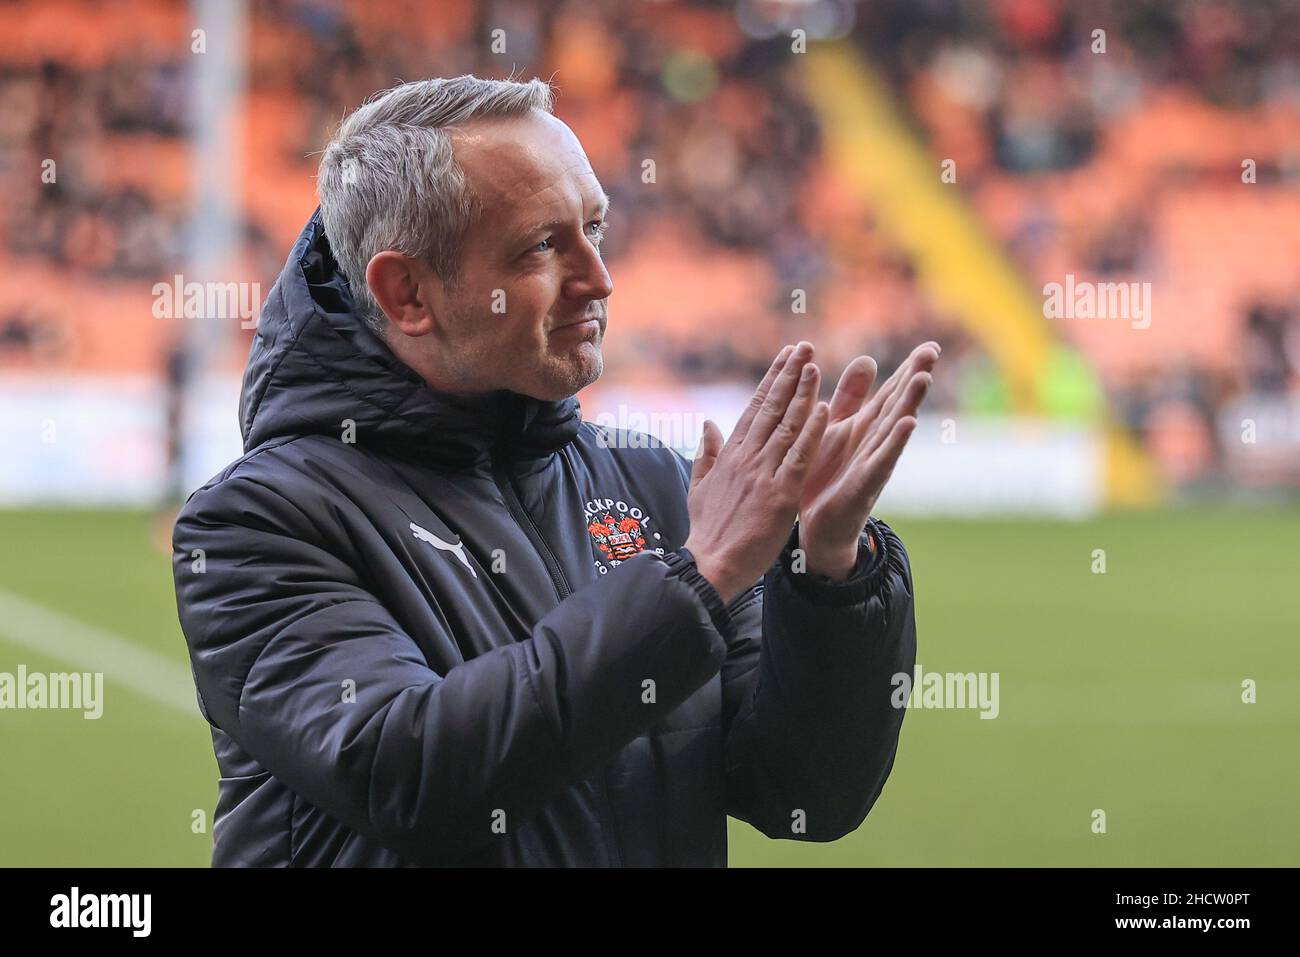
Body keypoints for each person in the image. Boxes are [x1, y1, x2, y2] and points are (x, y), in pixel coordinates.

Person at [171, 74, 938, 867]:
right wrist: (698, 576)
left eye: (595, 229)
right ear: (407, 293)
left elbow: (805, 794)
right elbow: (407, 771)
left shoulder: (654, 487)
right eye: (542, 244)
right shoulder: (255, 523)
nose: (598, 278)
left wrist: (830, 572)